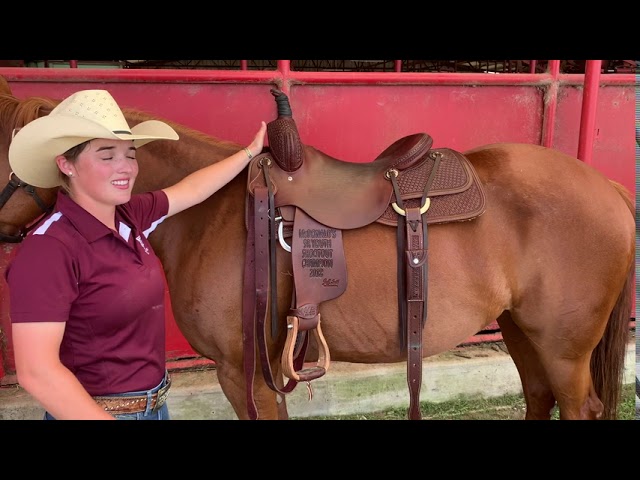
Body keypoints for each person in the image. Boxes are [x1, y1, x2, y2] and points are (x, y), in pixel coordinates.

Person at [4, 89, 266, 420]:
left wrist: (248, 153)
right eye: (107, 156)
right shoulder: (49, 250)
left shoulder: (129, 215)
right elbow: (37, 372)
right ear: (66, 164)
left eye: (130, 155)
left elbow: (192, 189)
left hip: (154, 406)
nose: (126, 168)